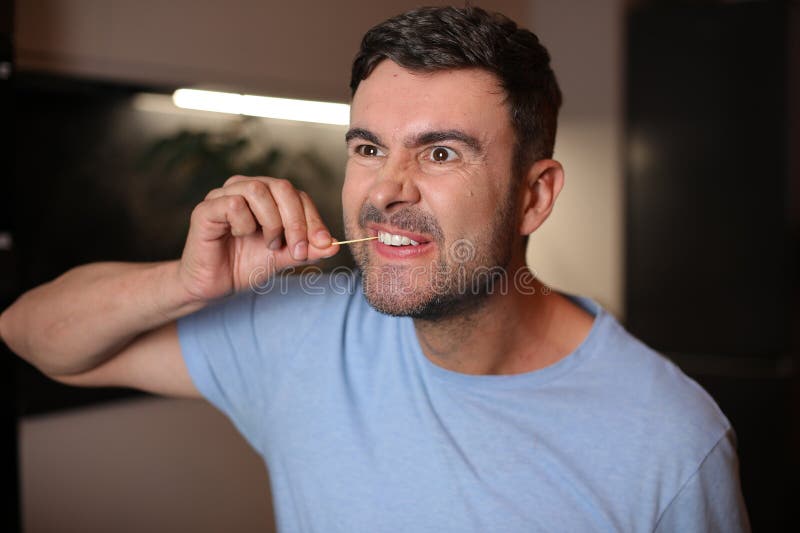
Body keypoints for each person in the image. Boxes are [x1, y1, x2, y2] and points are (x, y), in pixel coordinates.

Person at [1, 6, 749, 532]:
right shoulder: (301, 334)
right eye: (368, 148)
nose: (387, 190)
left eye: (441, 152)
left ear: (534, 193)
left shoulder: (671, 441)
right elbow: (32, 333)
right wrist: (183, 283)